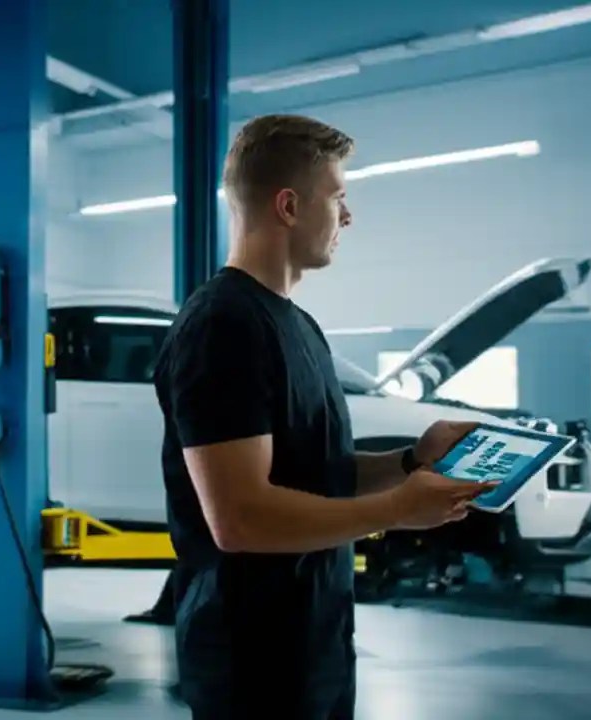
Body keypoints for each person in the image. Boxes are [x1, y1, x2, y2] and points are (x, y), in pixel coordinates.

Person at [152, 114, 498, 720]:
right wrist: (397, 510)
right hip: (253, 663)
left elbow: (317, 471)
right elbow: (240, 518)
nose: (347, 217)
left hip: (318, 643)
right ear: (288, 205)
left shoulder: (299, 326)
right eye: (338, 196)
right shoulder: (223, 324)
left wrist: (413, 458)